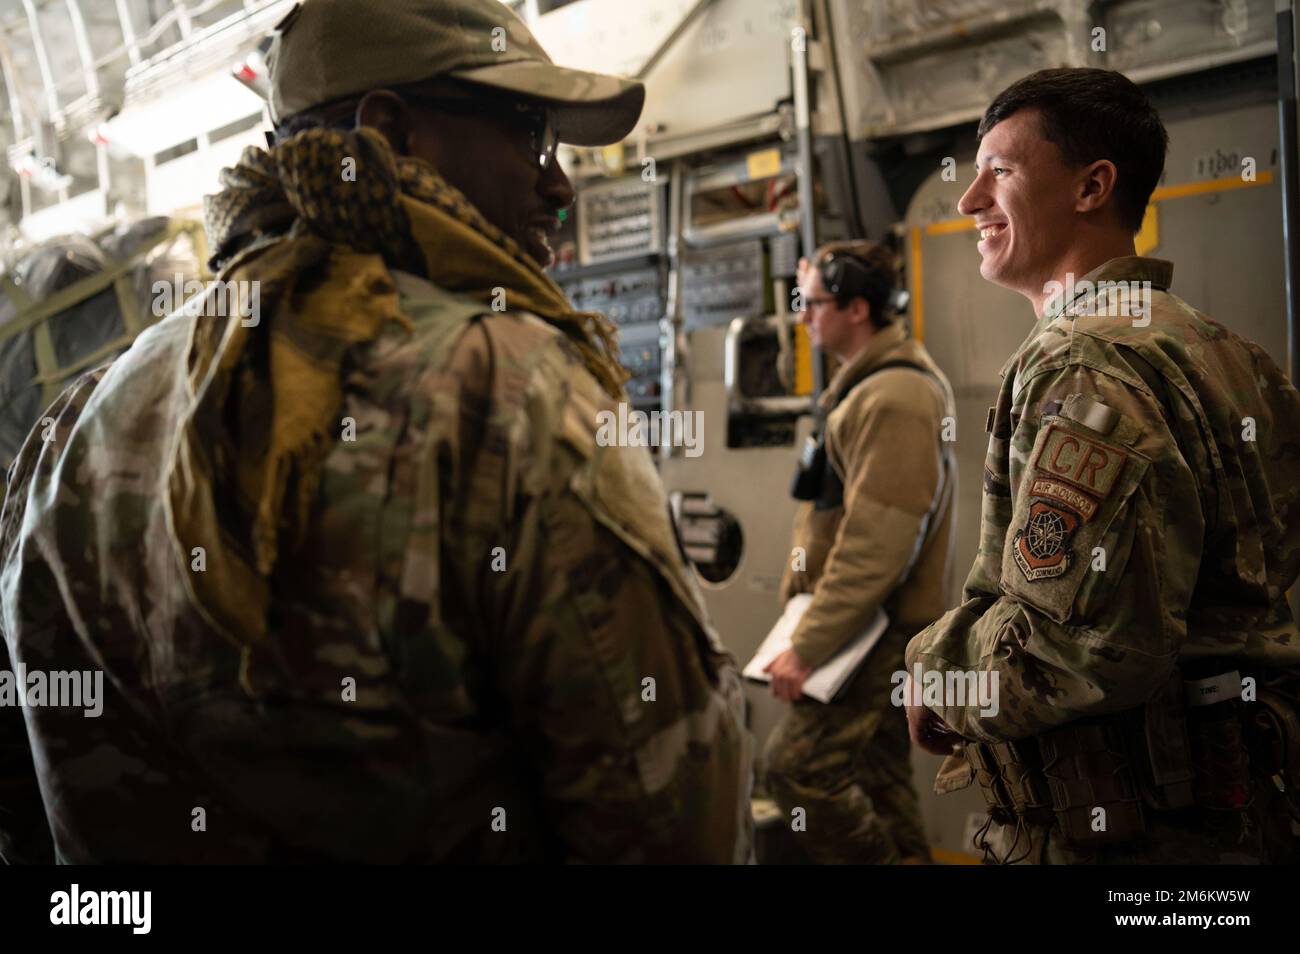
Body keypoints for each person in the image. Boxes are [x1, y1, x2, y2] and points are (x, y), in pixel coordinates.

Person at [0, 0, 752, 864]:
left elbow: (26, 803)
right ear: (390, 134)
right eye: (528, 136)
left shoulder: (76, 425)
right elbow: (674, 820)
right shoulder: (513, 394)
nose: (558, 184)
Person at [904, 67, 1300, 864]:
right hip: (1241, 813)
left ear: (1092, 186)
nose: (969, 198)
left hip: (1129, 833)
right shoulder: (1225, 351)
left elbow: (1078, 648)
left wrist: (935, 670)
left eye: (1000, 171)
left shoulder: (1082, 361)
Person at [762, 240, 956, 864]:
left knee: (796, 771)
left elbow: (878, 545)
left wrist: (809, 644)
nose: (802, 318)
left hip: (870, 632)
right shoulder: (868, 389)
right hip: (862, 627)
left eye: (813, 303)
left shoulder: (894, 397)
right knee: (880, 778)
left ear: (857, 308)